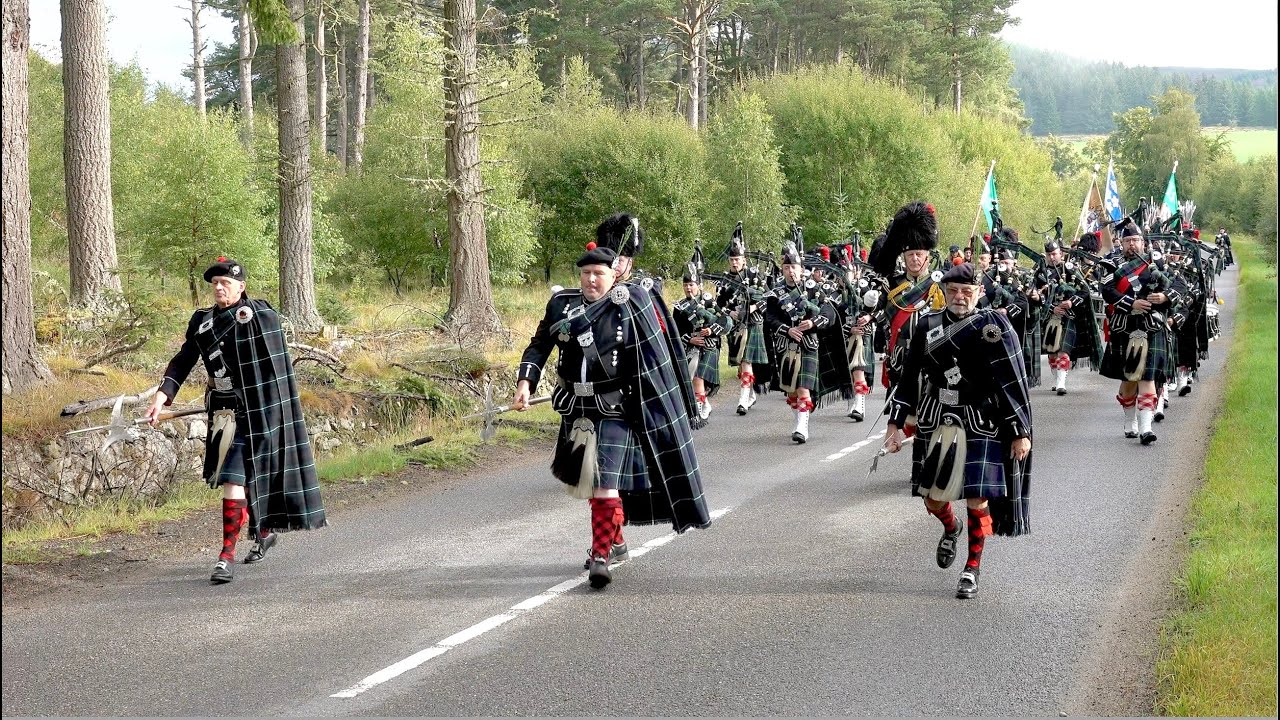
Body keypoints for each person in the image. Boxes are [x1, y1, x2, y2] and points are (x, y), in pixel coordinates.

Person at [514, 226, 711, 590]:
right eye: (586, 273)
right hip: (576, 407)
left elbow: (655, 354)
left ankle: (600, 554)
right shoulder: (562, 305)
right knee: (591, 485)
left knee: (604, 485)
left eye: (599, 274)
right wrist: (525, 382)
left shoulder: (629, 304)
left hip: (616, 408)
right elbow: (539, 345)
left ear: (613, 274)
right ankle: (616, 538)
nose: (591, 280)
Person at [144, 257, 326, 584]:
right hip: (225, 415)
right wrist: (163, 395)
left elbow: (275, 366)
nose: (218, 287)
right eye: (214, 282)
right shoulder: (201, 322)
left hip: (260, 412)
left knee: (251, 476)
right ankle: (236, 548)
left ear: (241, 287)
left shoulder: (259, 316)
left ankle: (244, 543)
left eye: (225, 282)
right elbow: (184, 359)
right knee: (233, 477)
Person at [882, 260, 1033, 600]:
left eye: (967, 291)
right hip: (937, 416)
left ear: (979, 292)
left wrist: (1019, 430)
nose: (960, 297)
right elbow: (907, 380)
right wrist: (895, 424)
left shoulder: (993, 326)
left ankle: (972, 569)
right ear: (944, 293)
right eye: (953, 291)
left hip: (980, 418)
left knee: (977, 498)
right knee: (933, 499)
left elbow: (1010, 382)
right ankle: (952, 527)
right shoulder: (927, 325)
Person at [762, 240, 844, 443]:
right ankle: (800, 417)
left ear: (801, 269)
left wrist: (812, 323)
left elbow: (829, 314)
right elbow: (770, 319)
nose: (791, 271)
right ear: (782, 269)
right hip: (786, 345)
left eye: (794, 267)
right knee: (791, 390)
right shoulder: (775, 293)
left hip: (808, 344)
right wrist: (787, 330)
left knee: (803, 388)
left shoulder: (813, 290)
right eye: (787, 267)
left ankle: (802, 426)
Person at [1098, 225, 1173, 445]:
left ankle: (1146, 428)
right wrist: (1131, 304)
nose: (1133, 244)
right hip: (1125, 326)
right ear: (1121, 243)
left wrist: (1164, 296)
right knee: (1129, 379)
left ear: (1143, 242)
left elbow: (1179, 285)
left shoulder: (1156, 263)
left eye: (1136, 240)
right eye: (1128, 240)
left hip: (1152, 327)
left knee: (1148, 377)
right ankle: (1130, 419)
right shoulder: (1111, 264)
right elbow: (1107, 291)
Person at [867, 201, 946, 392]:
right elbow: (878, 311)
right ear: (903, 256)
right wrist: (869, 308)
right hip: (899, 357)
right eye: (910, 254)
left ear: (927, 255)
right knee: (900, 416)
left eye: (918, 254)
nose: (914, 259)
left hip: (933, 354)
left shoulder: (942, 283)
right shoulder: (892, 283)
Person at [716, 223, 773, 415]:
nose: (734, 262)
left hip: (753, 323)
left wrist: (755, 306)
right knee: (741, 363)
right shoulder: (725, 281)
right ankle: (750, 395)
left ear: (744, 260)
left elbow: (768, 298)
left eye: (738, 259)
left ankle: (743, 399)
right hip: (736, 326)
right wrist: (729, 313)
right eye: (732, 259)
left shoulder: (754, 276)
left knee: (746, 360)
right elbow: (718, 304)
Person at [673, 251, 733, 420]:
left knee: (698, 378)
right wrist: (689, 339)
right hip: (690, 347)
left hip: (709, 346)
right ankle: (704, 403)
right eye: (685, 285)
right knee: (692, 380)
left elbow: (726, 322)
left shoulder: (709, 302)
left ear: (699, 285)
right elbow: (674, 330)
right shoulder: (679, 306)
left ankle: (697, 411)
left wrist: (711, 330)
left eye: (691, 285)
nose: (688, 288)